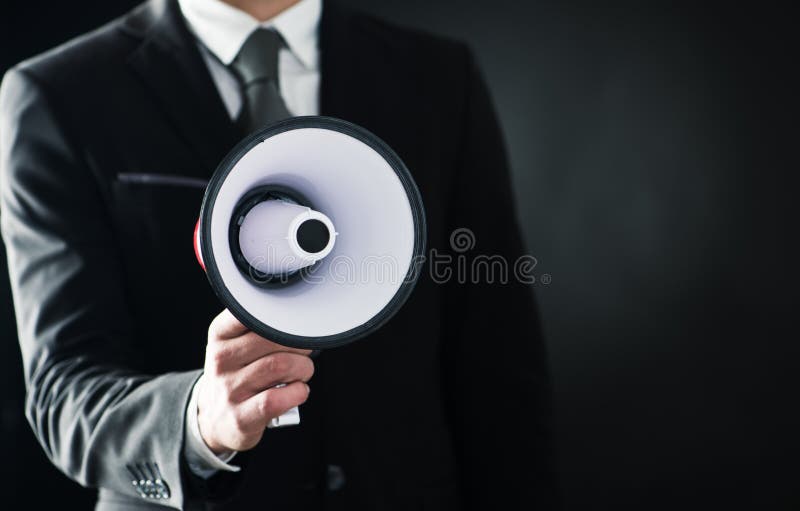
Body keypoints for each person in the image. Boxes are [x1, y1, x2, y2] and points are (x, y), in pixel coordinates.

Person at [0, 0, 558, 509]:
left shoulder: (437, 76)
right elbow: (64, 391)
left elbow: (498, 361)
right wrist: (199, 420)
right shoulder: (61, 92)